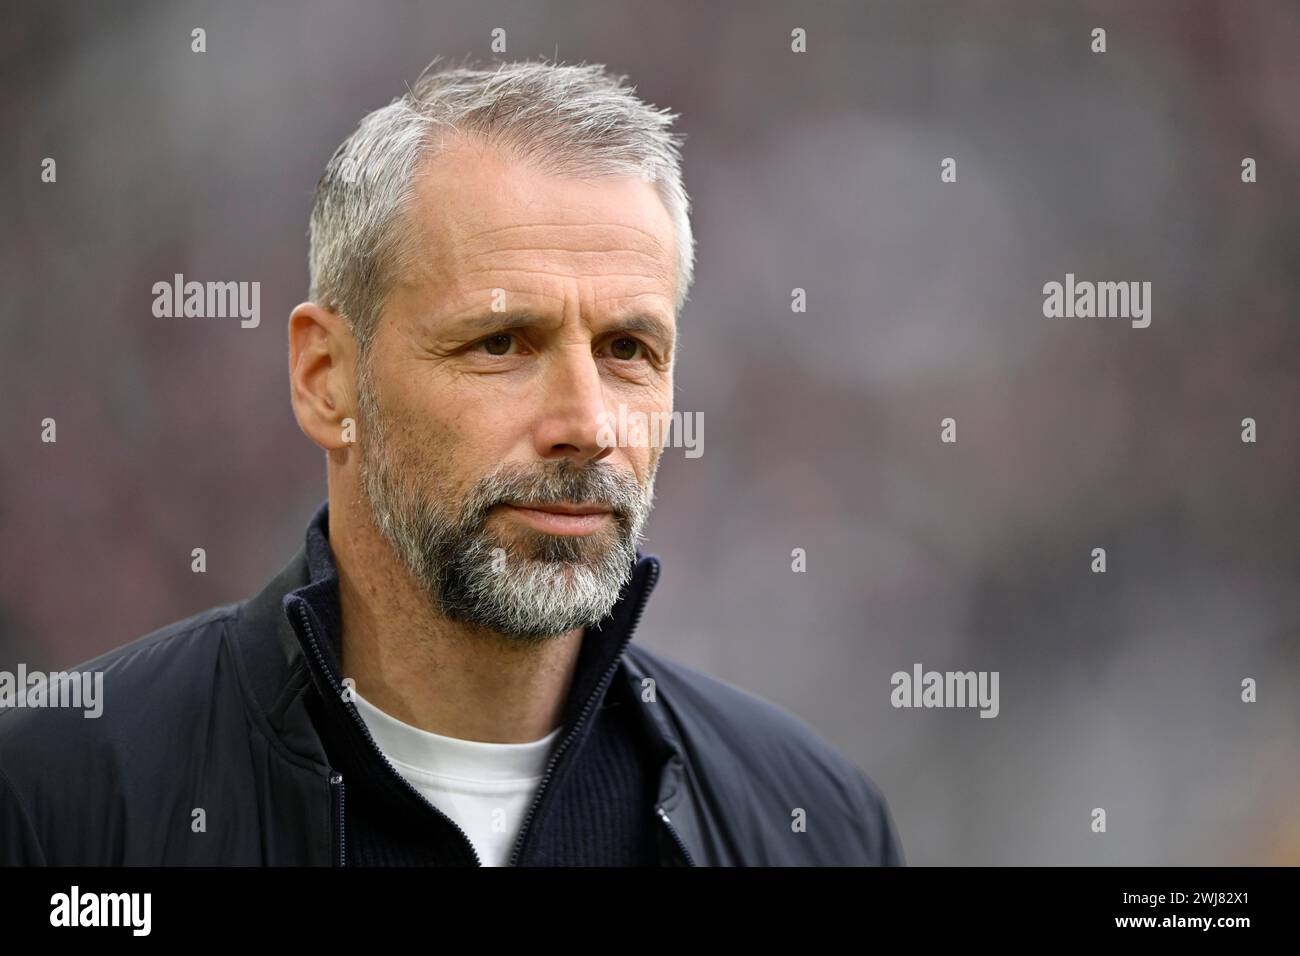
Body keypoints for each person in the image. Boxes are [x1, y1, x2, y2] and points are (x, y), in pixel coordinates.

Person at [0, 59, 903, 866]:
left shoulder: (815, 825)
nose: (588, 425)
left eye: (628, 349)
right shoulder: (58, 795)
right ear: (326, 380)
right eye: (502, 342)